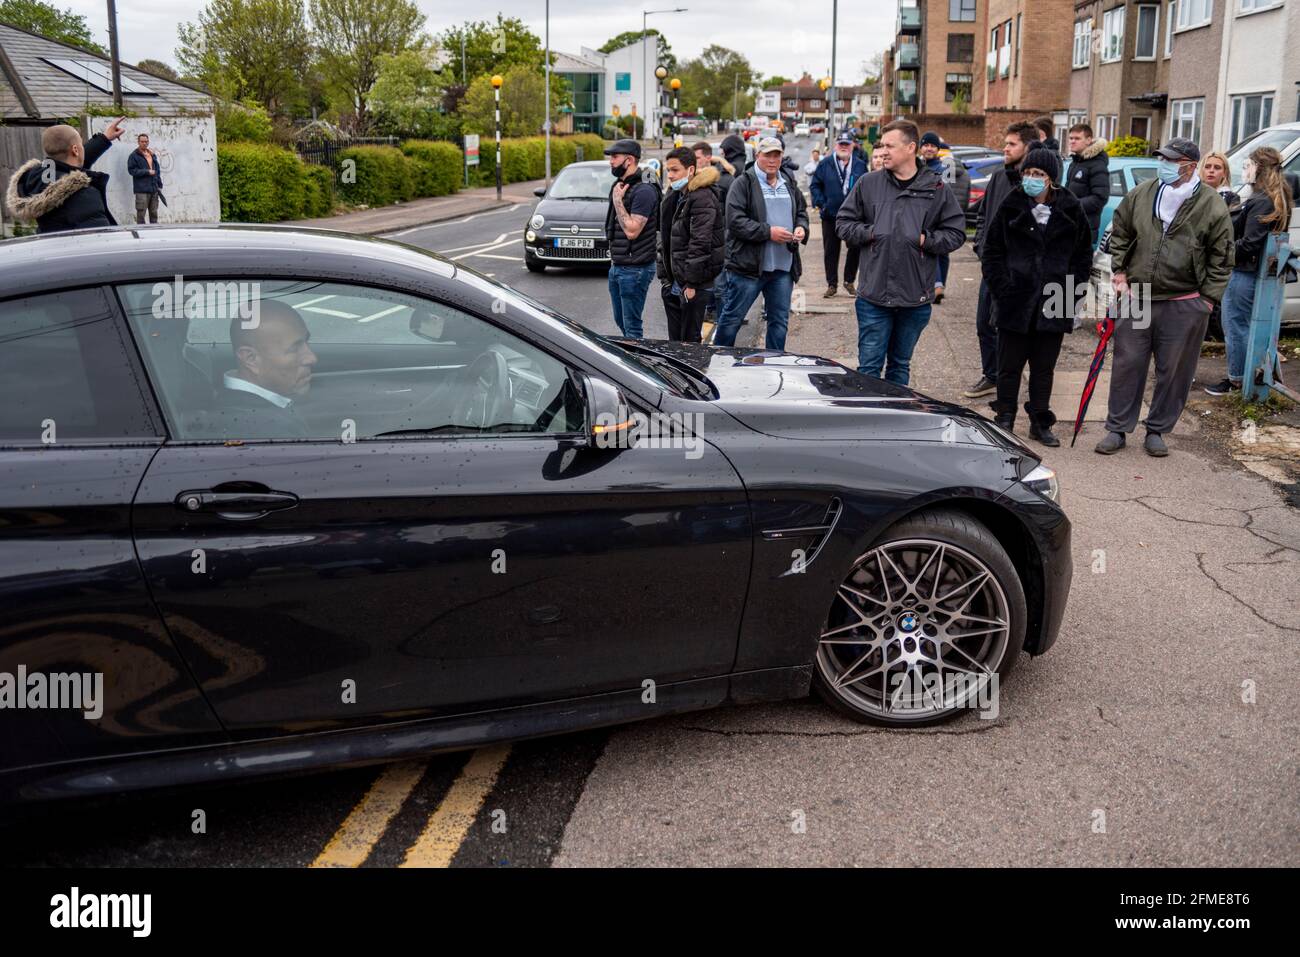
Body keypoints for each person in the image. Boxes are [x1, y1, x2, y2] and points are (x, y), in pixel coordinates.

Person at [1096, 137, 1234, 457]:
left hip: (1185, 300)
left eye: (1171, 161)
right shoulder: (1143, 194)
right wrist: (1119, 270)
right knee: (1128, 364)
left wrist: (1208, 300)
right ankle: (1117, 428)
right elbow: (1121, 230)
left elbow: (1222, 255)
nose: (1165, 165)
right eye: (1163, 159)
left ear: (1189, 165)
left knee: (1174, 370)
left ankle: (1157, 429)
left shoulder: (1211, 204)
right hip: (1138, 294)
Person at [836, 119, 966, 385]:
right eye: (881, 145)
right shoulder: (868, 183)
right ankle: (868, 422)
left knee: (899, 367)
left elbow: (956, 233)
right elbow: (843, 223)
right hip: (873, 297)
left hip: (914, 299)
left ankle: (896, 423)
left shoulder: (936, 187)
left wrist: (925, 239)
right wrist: (872, 233)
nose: (882, 151)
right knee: (869, 368)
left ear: (911, 148)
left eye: (889, 146)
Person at [981, 147, 1093, 446]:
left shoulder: (1070, 207)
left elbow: (1083, 257)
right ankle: (1005, 416)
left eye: (1038, 174)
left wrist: (1069, 297)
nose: (1031, 179)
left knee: (1044, 368)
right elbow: (991, 252)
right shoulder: (1012, 204)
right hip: (1014, 301)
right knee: (1009, 366)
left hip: (1055, 300)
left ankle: (1039, 421)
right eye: (1028, 173)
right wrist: (1003, 290)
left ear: (1052, 179)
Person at [1205, 147, 1292, 397]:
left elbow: (1250, 242)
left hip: (1245, 272)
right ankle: (1247, 377)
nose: (1245, 170)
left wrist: (1221, 255)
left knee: (1235, 325)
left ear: (1259, 169)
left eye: (1248, 166)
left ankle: (1237, 380)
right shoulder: (1272, 196)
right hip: (1254, 272)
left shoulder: (1263, 200)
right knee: (1242, 325)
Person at [967, 120, 1041, 398]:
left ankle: (1015, 380)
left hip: (1021, 273)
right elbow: (983, 215)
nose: (1005, 148)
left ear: (1028, 146)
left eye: (1011, 144)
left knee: (1017, 328)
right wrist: (982, 249)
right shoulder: (999, 177)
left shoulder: (1036, 182)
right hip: (993, 269)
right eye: (1006, 143)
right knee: (984, 324)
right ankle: (992, 375)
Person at [713, 136, 809, 350]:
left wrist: (802, 227)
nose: (773, 160)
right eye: (768, 155)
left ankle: (773, 366)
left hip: (783, 268)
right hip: (749, 268)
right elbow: (735, 222)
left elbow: (801, 211)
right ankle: (719, 359)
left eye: (777, 155)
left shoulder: (788, 181)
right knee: (731, 320)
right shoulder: (743, 183)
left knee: (779, 323)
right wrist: (768, 233)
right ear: (758, 156)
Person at [209, 301, 316, 439]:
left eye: (306, 342)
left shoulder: (232, 405)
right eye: (295, 348)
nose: (311, 358)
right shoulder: (267, 430)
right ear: (251, 359)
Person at [5, 118, 127, 233]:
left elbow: (68, 165)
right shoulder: (84, 195)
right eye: (80, 143)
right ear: (75, 150)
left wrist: (103, 139)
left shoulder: (37, 179)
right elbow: (101, 242)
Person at [656, 147, 725, 342]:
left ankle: (694, 374)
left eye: (675, 170)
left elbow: (700, 242)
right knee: (676, 342)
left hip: (693, 283)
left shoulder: (702, 196)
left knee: (690, 341)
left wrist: (692, 283)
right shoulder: (675, 195)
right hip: (674, 280)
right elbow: (666, 237)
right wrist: (665, 278)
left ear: (691, 170)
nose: (670, 175)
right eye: (668, 170)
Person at [603, 139, 661, 339]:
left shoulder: (644, 190)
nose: (611, 161)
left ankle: (636, 367)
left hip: (635, 268)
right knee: (621, 321)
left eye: (614, 157)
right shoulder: (621, 185)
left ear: (629, 160)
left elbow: (632, 231)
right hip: (619, 265)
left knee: (632, 327)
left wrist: (618, 201)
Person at [810, 133, 867, 298]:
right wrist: (822, 203)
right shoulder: (825, 164)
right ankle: (831, 284)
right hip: (830, 216)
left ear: (852, 146)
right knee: (831, 251)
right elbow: (815, 185)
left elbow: (867, 188)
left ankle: (849, 281)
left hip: (853, 218)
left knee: (855, 247)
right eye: (841, 144)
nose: (844, 146)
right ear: (836, 145)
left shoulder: (860, 165)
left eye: (847, 144)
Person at [919, 131, 969, 303]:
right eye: (926, 145)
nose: (929, 149)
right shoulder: (918, 166)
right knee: (934, 250)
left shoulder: (944, 168)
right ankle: (938, 286)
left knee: (940, 251)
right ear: (920, 148)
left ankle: (939, 285)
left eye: (933, 146)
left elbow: (950, 192)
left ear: (938, 149)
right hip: (924, 213)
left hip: (940, 213)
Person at [1065, 122, 1109, 245]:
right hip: (1070, 226)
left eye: (1077, 138)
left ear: (1088, 140)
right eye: (1071, 138)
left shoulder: (1097, 164)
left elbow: (1100, 198)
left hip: (1084, 229)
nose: (1072, 141)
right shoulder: (1075, 162)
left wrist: (1072, 205)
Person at [127, 132, 164, 225]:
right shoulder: (134, 156)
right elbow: (132, 171)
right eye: (142, 141)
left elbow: (157, 171)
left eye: (146, 141)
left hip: (154, 189)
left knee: (154, 213)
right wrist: (147, 171)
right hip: (141, 190)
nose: (144, 143)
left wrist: (159, 184)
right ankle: (141, 234)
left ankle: (154, 232)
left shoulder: (152, 154)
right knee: (141, 214)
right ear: (138, 142)